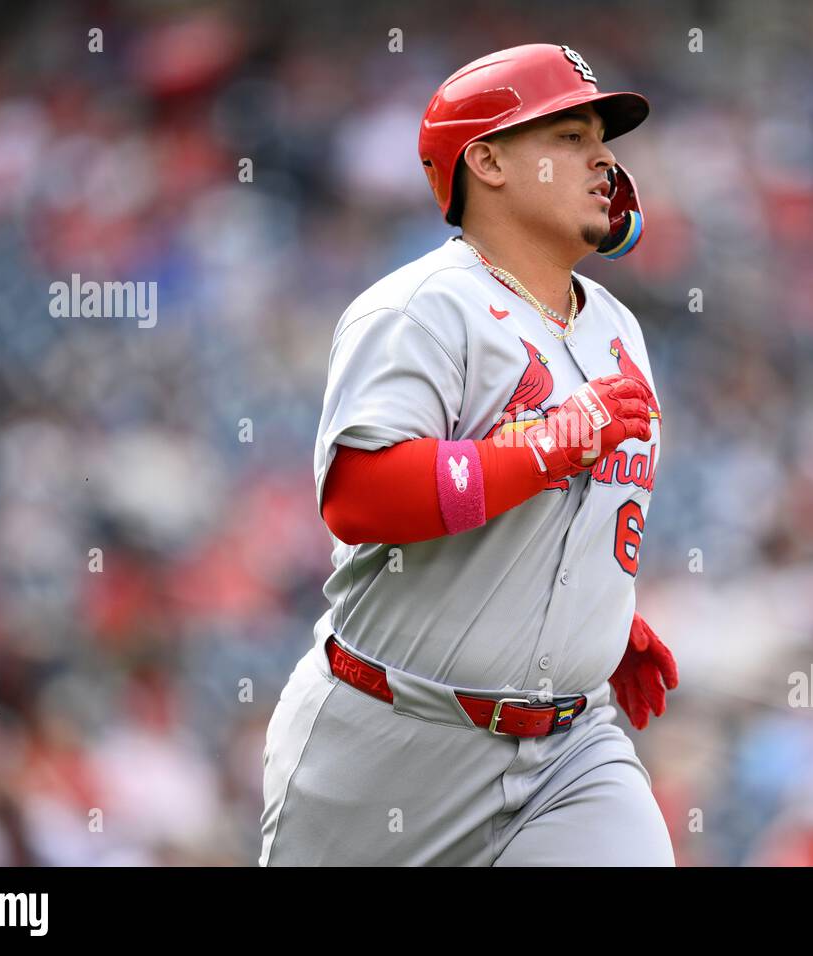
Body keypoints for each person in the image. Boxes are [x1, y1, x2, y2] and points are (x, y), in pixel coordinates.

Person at [260, 43, 678, 866]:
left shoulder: (618, 330)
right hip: (387, 740)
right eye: (567, 135)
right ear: (485, 160)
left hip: (570, 749)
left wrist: (585, 616)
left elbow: (570, 508)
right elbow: (362, 496)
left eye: (603, 136)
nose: (603, 157)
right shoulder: (421, 306)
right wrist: (550, 444)